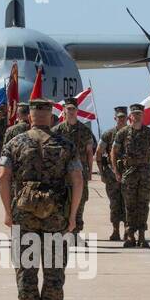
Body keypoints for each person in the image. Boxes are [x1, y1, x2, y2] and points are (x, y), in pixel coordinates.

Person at [0, 97, 82, 300]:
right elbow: (78, 180)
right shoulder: (65, 144)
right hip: (56, 215)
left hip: (24, 216)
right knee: (54, 271)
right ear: (52, 115)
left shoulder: (14, 143)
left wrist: (7, 212)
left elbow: (3, 177)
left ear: (31, 115)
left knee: (26, 270)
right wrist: (72, 215)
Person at [111, 102, 150, 247]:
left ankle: (142, 236)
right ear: (130, 116)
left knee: (143, 205)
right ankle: (130, 235)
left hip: (145, 174)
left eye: (139, 113)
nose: (137, 116)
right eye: (134, 114)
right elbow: (113, 152)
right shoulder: (123, 133)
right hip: (129, 173)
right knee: (129, 205)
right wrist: (116, 171)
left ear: (143, 115)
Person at [52, 97, 94, 230]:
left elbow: (89, 153)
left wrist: (90, 172)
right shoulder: (56, 131)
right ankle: (63, 234)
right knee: (61, 204)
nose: (70, 111)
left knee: (79, 204)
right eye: (68, 109)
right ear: (64, 111)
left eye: (73, 109)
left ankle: (76, 234)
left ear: (77, 111)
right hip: (61, 174)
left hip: (80, 173)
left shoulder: (85, 131)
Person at [96, 106, 127, 240]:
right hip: (111, 174)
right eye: (119, 117)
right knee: (114, 203)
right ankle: (115, 231)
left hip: (128, 173)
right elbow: (98, 153)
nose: (121, 119)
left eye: (123, 117)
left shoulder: (131, 133)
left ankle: (128, 230)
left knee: (127, 202)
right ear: (115, 118)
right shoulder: (108, 134)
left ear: (127, 118)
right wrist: (102, 173)